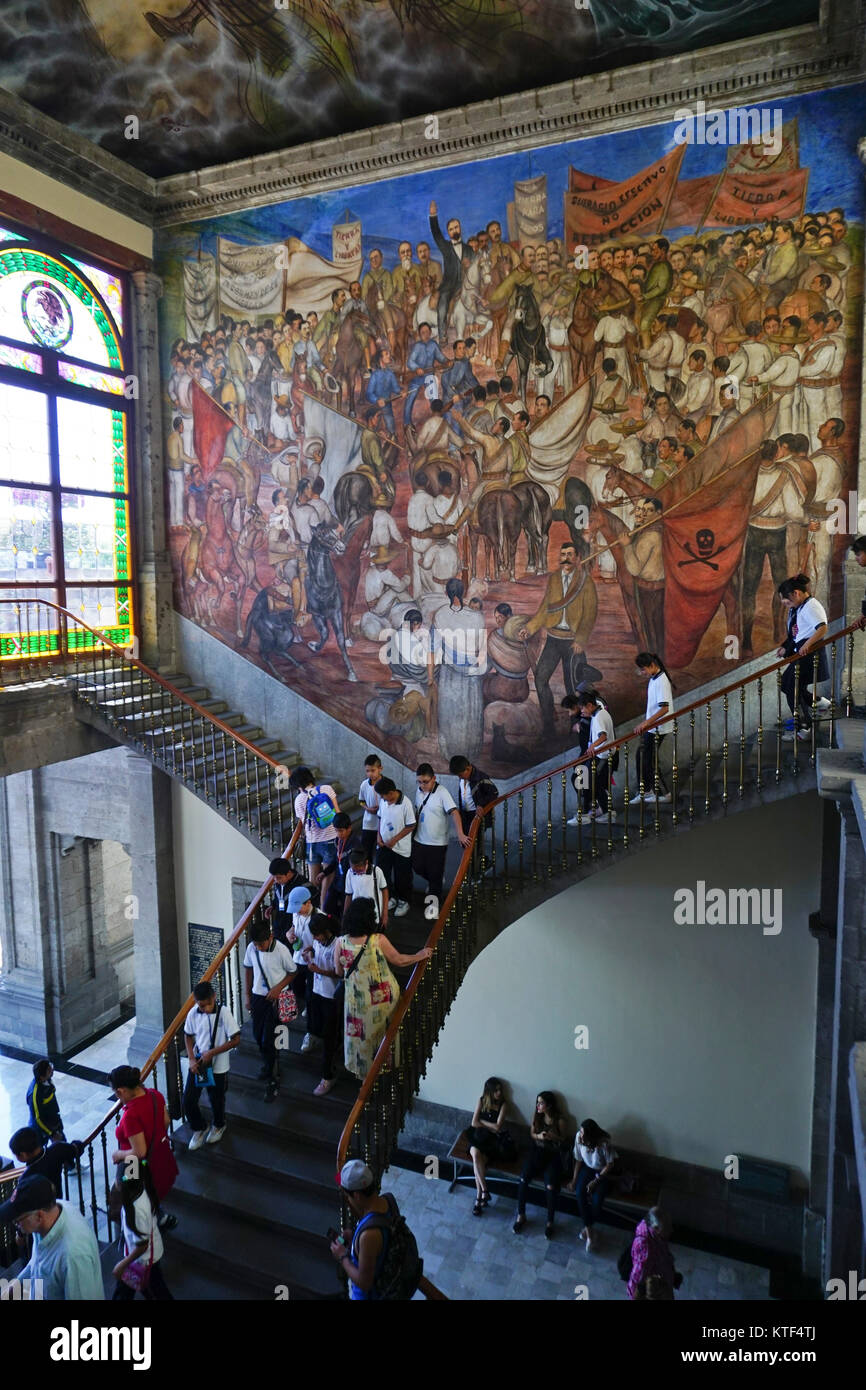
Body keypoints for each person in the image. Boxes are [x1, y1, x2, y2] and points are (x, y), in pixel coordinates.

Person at [335, 899, 432, 1081]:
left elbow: (338, 971)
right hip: (381, 999)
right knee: (384, 1034)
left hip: (356, 1001)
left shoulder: (340, 943)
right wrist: (419, 955)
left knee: (361, 1037)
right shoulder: (377, 940)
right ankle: (382, 1070)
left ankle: (365, 1076)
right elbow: (399, 960)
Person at [0, 1174, 104, 1301]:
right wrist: (10, 1290)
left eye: (18, 1221)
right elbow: (37, 1262)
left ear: (39, 1216)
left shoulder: (73, 1256)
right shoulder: (53, 1210)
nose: (16, 1225)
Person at [330, 1159, 414, 1300]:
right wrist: (355, 1240)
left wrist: (343, 1257)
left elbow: (364, 1283)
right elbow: (381, 1247)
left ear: (356, 1195)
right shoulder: (388, 1200)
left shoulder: (369, 1235)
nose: (348, 1200)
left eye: (347, 1196)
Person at [109, 1065, 178, 1231]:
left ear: (122, 1091)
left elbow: (140, 1152)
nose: (117, 1097)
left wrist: (119, 1154)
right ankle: (157, 1213)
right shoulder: (155, 1095)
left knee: (130, 1195)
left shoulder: (131, 1115)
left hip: (136, 1164)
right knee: (150, 1193)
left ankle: (143, 1225)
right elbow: (166, 1121)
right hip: (161, 1156)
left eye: (117, 1093)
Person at [182, 981, 241, 1150]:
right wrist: (192, 1058)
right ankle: (199, 1127)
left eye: (208, 1005)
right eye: (201, 1005)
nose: (205, 1009)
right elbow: (188, 1035)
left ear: (214, 997)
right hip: (199, 1063)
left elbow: (236, 1039)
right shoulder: (193, 1013)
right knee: (189, 1099)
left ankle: (219, 1124)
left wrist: (213, 1052)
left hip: (218, 1065)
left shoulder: (224, 1013)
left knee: (216, 1098)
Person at [243, 918, 296, 1101]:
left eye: (261, 944)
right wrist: (248, 995)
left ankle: (273, 1077)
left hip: (278, 998)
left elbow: (292, 972)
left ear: (270, 937)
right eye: (256, 944)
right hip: (259, 997)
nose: (258, 947)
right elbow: (248, 969)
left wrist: (278, 988)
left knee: (273, 1039)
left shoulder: (281, 950)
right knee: (258, 1035)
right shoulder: (252, 949)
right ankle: (268, 1064)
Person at [776, 574, 828, 739]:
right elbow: (797, 633)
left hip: (809, 653)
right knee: (787, 684)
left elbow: (822, 628)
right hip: (802, 651)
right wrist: (786, 647)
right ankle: (819, 703)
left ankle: (804, 728)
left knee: (791, 687)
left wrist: (807, 645)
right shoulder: (799, 607)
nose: (787, 605)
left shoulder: (811, 606)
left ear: (796, 593)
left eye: (787, 602)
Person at [412, 762, 469, 908]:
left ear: (434, 779)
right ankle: (434, 881)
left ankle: (433, 907)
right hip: (419, 838)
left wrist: (460, 834)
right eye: (419, 782)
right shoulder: (418, 791)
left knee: (435, 876)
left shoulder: (442, 792)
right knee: (417, 866)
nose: (422, 785)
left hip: (437, 843)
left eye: (425, 782)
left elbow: (455, 812)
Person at [111, 1167, 173, 1301]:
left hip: (142, 1260)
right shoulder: (138, 1192)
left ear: (120, 1184)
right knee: (148, 1289)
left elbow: (143, 1245)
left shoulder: (137, 1210)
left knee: (156, 1290)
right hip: (141, 1257)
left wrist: (123, 1264)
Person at [513, 1091, 565, 1239]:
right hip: (537, 1152)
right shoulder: (537, 1116)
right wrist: (539, 1136)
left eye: (541, 1103)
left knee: (550, 1186)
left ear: (549, 1105)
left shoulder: (559, 1120)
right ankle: (521, 1215)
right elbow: (532, 1134)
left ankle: (550, 1222)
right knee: (523, 1179)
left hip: (553, 1156)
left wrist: (554, 1137)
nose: (538, 1105)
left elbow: (564, 1141)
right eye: (537, 1102)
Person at [303, 912, 341, 1097]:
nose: (315, 938)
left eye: (316, 934)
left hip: (331, 996)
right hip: (317, 991)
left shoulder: (337, 945)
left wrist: (317, 969)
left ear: (325, 932)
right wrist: (309, 954)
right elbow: (314, 952)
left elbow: (338, 973)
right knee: (317, 1026)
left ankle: (328, 1075)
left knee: (330, 1036)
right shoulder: (318, 942)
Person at [566, 1117, 617, 1253]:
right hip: (587, 1169)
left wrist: (595, 1181)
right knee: (579, 1192)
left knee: (597, 1200)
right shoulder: (578, 1138)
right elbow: (578, 1160)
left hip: (602, 1173)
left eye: (583, 1134)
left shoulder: (603, 1144)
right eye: (580, 1132)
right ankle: (590, 1233)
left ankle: (586, 1229)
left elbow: (610, 1165)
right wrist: (574, 1180)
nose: (580, 1136)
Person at [630, 652, 674, 803]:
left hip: (659, 727)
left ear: (651, 665)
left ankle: (664, 794)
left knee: (650, 760)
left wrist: (645, 723)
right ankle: (647, 790)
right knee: (641, 756)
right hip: (652, 727)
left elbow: (664, 708)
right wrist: (647, 722)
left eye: (643, 669)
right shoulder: (654, 679)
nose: (642, 673)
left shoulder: (661, 681)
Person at [291, 766, 340, 897]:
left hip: (312, 843)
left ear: (298, 785)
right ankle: (324, 909)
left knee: (313, 881)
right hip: (330, 839)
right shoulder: (326, 789)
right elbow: (337, 813)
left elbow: (304, 822)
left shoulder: (299, 800)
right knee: (327, 879)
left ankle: (314, 907)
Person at [466, 1077, 510, 1216]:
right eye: (496, 1090)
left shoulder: (504, 1105)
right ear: (489, 1091)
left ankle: (480, 1196)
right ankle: (483, 1192)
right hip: (477, 1135)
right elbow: (474, 1123)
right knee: (475, 1155)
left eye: (500, 1090)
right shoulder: (482, 1100)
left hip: (491, 1140)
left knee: (477, 1160)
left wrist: (483, 1122)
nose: (499, 1092)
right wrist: (488, 1125)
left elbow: (498, 1128)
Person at [374, 776, 416, 919]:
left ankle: (404, 901)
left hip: (401, 848)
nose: (384, 799)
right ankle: (391, 897)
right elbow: (380, 818)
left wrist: (394, 840)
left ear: (392, 792)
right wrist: (379, 836)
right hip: (384, 846)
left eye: (385, 796)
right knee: (383, 872)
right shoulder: (383, 800)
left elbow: (411, 825)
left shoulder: (406, 803)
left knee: (402, 876)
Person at [571, 688, 616, 823]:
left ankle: (596, 812)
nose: (582, 712)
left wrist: (591, 746)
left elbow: (603, 736)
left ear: (590, 705)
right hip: (599, 755)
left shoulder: (599, 716)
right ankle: (599, 811)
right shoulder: (598, 714)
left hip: (602, 755)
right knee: (589, 781)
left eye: (583, 709)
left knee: (590, 782)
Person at [8, 1128, 84, 1196]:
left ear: (23, 1154)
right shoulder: (57, 1149)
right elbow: (77, 1148)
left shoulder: (26, 1178)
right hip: (58, 1202)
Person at [627, 1206, 682, 1300]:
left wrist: (672, 1274)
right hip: (656, 1289)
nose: (671, 1230)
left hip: (663, 1282)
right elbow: (638, 1277)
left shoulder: (655, 1233)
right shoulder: (646, 1249)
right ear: (656, 1228)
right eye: (668, 1227)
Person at [286, 885, 317, 1047]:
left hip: (313, 961)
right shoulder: (295, 913)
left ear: (308, 903)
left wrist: (312, 950)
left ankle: (311, 1027)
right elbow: (294, 926)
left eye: (299, 908)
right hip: (297, 957)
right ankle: (300, 1005)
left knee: (311, 989)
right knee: (296, 987)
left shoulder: (319, 917)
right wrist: (289, 933)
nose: (297, 911)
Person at [264, 856, 316, 946]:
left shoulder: (303, 885)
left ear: (288, 873)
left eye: (279, 878)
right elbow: (279, 898)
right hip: (279, 926)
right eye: (274, 878)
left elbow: (311, 906)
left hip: (294, 929)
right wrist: (273, 906)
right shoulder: (279, 884)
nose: (276, 881)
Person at [323, 812, 364, 918]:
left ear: (349, 828)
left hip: (348, 884)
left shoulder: (356, 845)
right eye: (336, 830)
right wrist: (324, 872)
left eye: (341, 831)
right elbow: (336, 860)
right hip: (338, 881)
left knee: (345, 912)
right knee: (327, 907)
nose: (338, 834)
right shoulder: (338, 840)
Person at [448, 755, 499, 837]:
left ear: (468, 769)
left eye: (460, 775)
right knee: (466, 841)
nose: (459, 777)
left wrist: (481, 804)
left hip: (476, 815)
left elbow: (494, 792)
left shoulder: (481, 778)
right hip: (464, 814)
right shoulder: (462, 777)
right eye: (458, 775)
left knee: (476, 843)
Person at [343, 847, 389, 927]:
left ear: (366, 862)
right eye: (354, 871)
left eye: (359, 870)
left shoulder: (376, 871)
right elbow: (349, 895)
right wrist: (345, 916)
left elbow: (385, 891)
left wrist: (385, 914)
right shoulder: (349, 873)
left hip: (374, 915)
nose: (357, 873)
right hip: (356, 914)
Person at [27, 1059, 65, 1143]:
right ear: (41, 1076)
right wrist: (51, 1134)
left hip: (53, 1120)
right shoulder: (35, 1094)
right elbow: (38, 1118)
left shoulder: (47, 1080)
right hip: (41, 1128)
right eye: (49, 1070)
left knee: (63, 1144)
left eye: (50, 1066)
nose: (52, 1070)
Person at [358, 753, 383, 861]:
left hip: (382, 824)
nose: (370, 774)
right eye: (367, 771)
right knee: (366, 853)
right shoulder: (364, 784)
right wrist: (368, 809)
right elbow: (361, 801)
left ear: (380, 769)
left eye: (373, 770)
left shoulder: (385, 784)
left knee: (380, 853)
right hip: (368, 824)